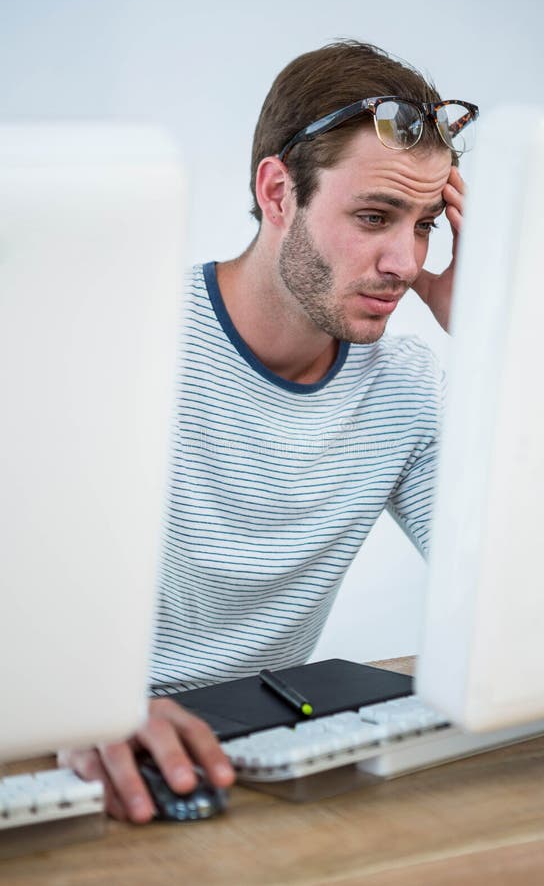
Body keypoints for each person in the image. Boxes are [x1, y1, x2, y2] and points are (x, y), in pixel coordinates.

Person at [60, 40, 476, 822]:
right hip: (88, 767)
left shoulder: (407, 386)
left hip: (258, 768)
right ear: (278, 191)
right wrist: (73, 710)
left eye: (425, 225)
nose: (405, 263)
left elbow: (529, 589)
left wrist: (496, 341)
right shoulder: (118, 341)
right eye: (374, 217)